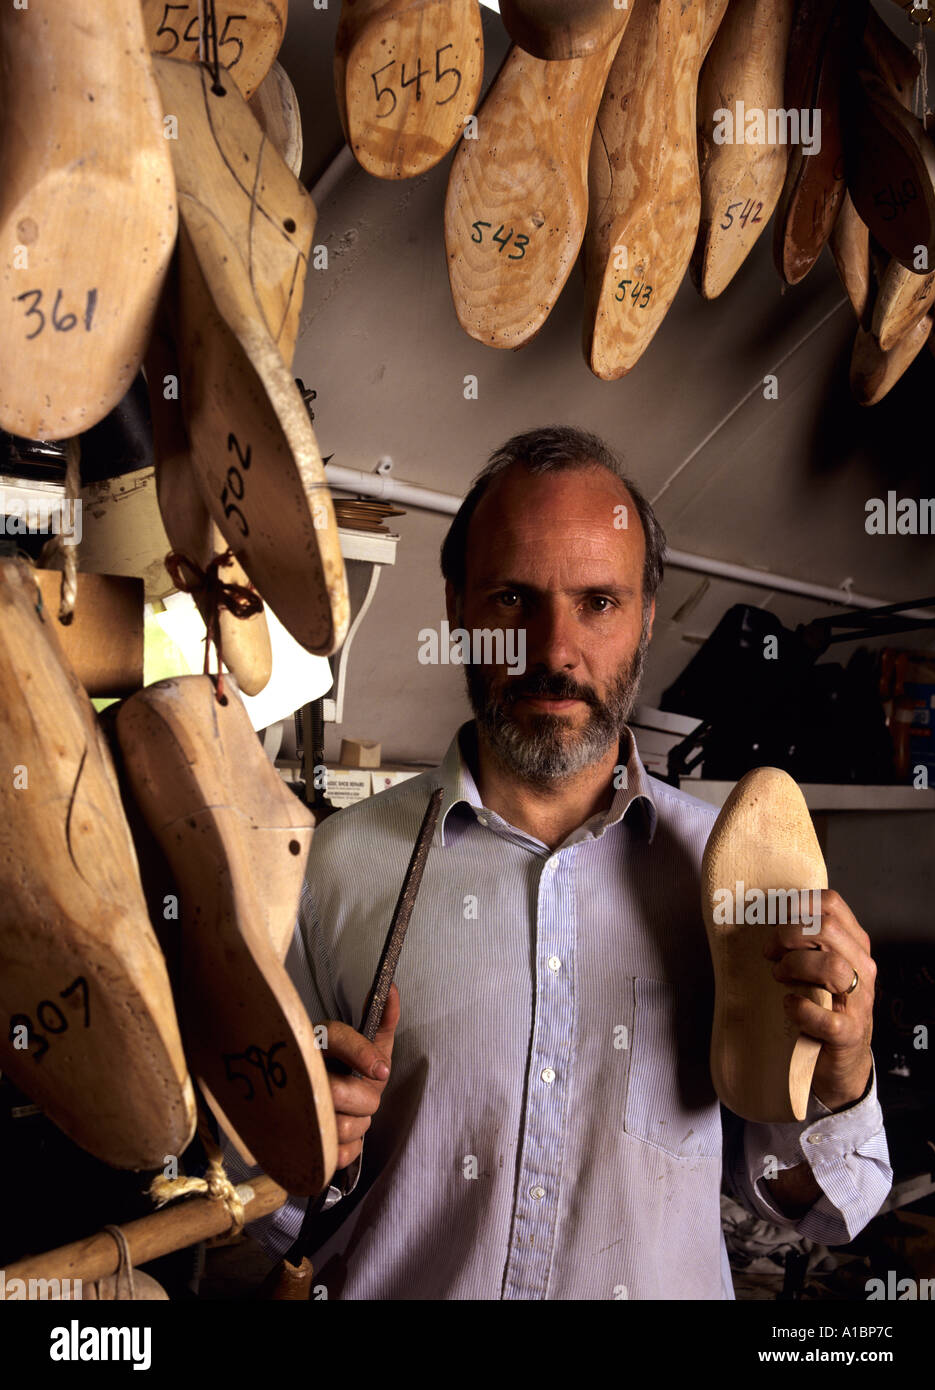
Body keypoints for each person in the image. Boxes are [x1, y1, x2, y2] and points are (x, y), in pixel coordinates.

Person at [233, 426, 891, 1299]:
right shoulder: (330, 874)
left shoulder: (730, 876)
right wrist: (294, 1152)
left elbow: (815, 1210)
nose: (551, 651)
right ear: (456, 605)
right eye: (512, 599)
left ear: (648, 614)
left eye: (598, 602)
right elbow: (249, 1224)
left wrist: (841, 1080)